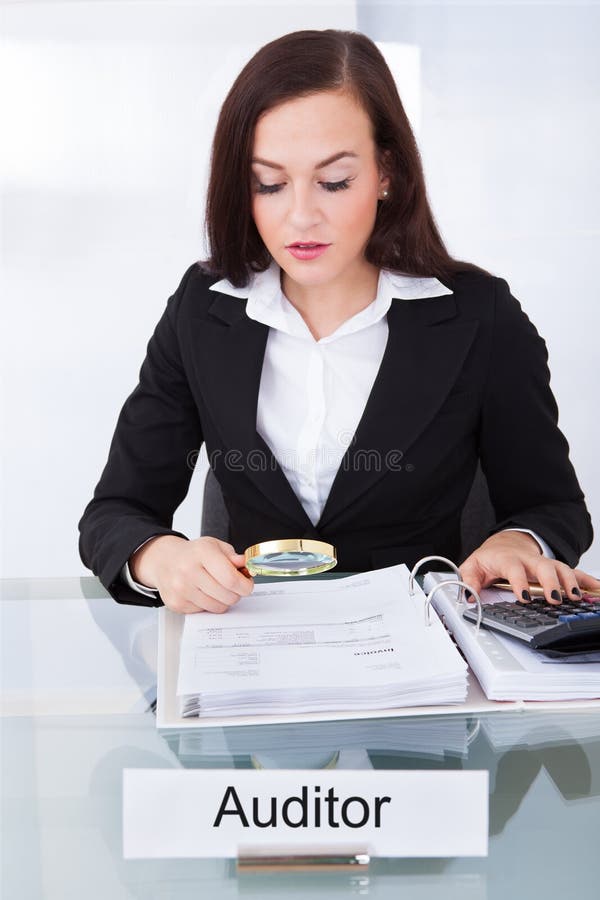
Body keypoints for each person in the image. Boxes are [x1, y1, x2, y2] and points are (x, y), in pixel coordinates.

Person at [78, 28, 599, 615]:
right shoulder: (204, 309)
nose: (301, 215)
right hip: (254, 653)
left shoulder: (480, 317)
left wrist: (516, 540)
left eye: (334, 182)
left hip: (424, 656)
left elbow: (553, 508)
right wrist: (160, 557)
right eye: (268, 184)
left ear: (387, 173)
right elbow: (116, 513)